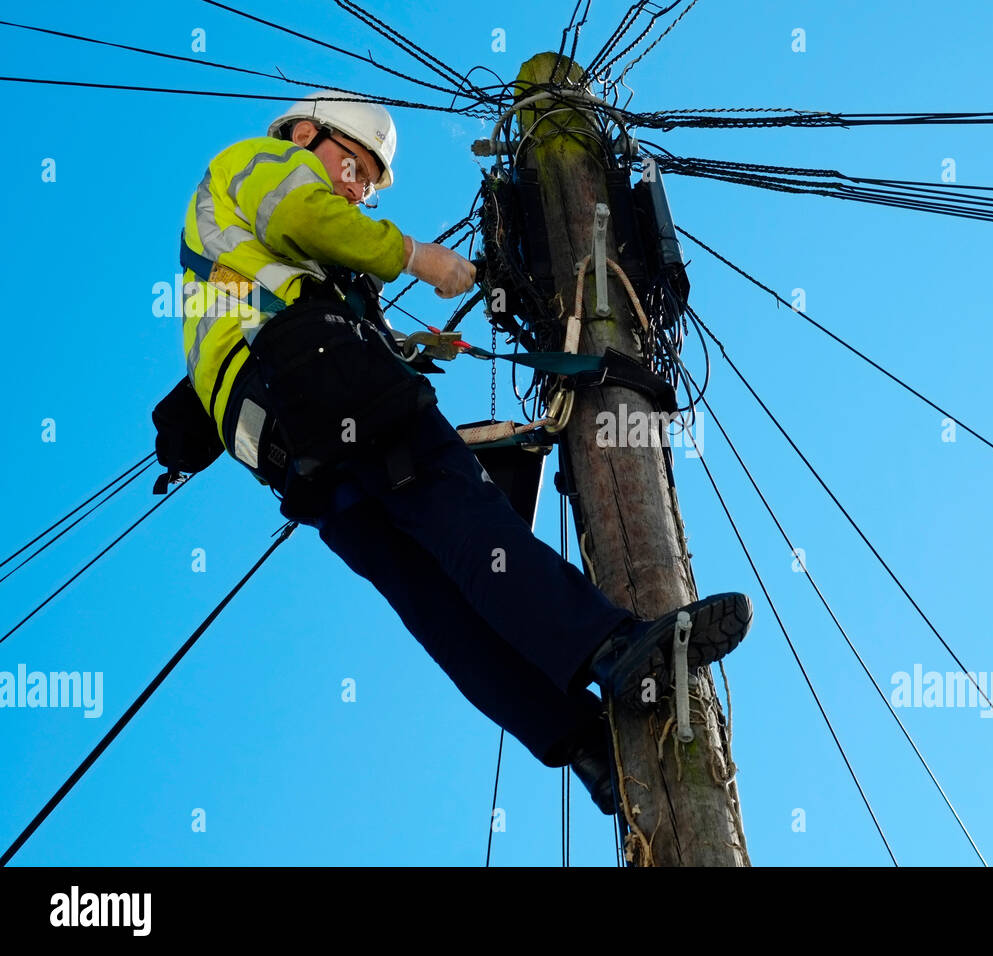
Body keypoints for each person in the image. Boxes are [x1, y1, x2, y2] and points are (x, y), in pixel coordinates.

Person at [178, 90, 752, 815]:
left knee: (435, 600)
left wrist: (410, 345)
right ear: (303, 132)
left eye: (363, 180)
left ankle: (585, 746)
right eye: (352, 165)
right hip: (318, 379)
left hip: (288, 446)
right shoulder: (259, 160)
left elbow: (284, 291)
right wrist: (419, 258)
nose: (355, 189)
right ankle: (612, 648)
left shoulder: (227, 270)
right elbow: (303, 217)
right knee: (465, 515)